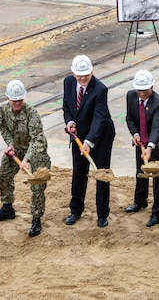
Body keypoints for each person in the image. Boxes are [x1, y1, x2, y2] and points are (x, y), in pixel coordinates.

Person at [0, 80, 51, 238]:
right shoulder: (3, 110)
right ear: (8, 98)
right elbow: (2, 127)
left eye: (20, 100)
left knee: (36, 185)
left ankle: (36, 218)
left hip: (36, 152)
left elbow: (38, 140)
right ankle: (7, 207)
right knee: (3, 174)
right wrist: (10, 144)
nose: (17, 103)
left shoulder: (32, 113)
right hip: (16, 149)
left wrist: (27, 159)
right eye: (14, 100)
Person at [62, 55, 115, 228]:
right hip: (79, 136)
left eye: (86, 74)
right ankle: (75, 210)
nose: (83, 78)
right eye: (79, 75)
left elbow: (99, 119)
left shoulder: (100, 89)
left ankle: (102, 214)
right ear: (73, 73)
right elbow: (67, 107)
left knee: (101, 175)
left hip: (100, 138)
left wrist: (89, 142)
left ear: (92, 71)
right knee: (79, 172)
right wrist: (70, 123)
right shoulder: (68, 83)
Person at [124, 70, 159, 227]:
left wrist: (150, 147)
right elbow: (129, 118)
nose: (141, 94)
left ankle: (157, 211)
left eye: (144, 90)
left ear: (152, 86)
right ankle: (140, 201)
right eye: (139, 90)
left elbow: (157, 127)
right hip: (141, 140)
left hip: (157, 143)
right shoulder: (131, 96)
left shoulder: (158, 102)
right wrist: (135, 134)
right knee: (141, 171)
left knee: (157, 178)